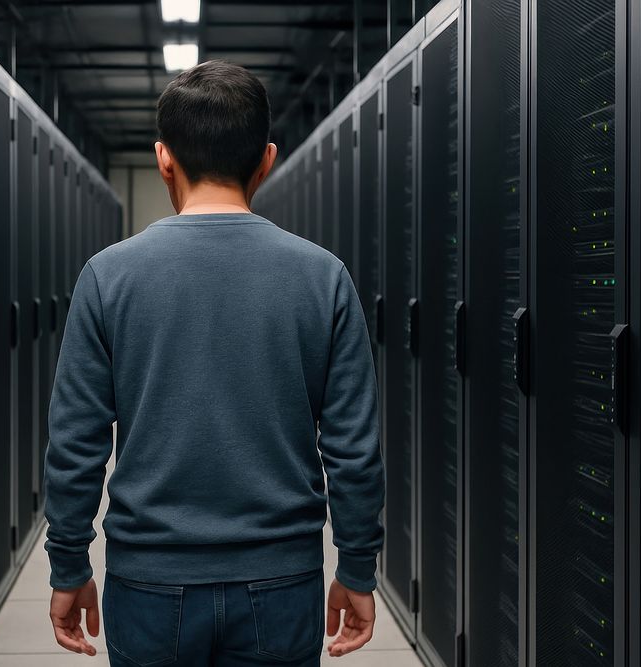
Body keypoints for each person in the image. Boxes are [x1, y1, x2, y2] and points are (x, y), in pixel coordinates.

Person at [42, 59, 385, 665]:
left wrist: (69, 564)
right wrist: (356, 566)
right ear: (268, 159)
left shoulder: (109, 276)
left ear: (164, 158)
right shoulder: (322, 276)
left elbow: (76, 444)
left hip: (148, 580)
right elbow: (354, 448)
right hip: (282, 579)